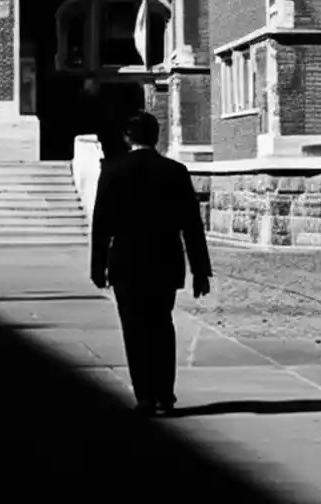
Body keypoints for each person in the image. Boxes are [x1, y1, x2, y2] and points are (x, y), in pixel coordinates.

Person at [90, 111, 212, 416]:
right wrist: (200, 270)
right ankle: (164, 393)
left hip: (126, 261)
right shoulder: (175, 171)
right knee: (161, 326)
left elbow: (101, 223)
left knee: (134, 329)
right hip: (164, 259)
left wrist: (98, 266)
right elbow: (192, 225)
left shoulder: (113, 170)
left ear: (127, 137)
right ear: (157, 137)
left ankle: (144, 395)